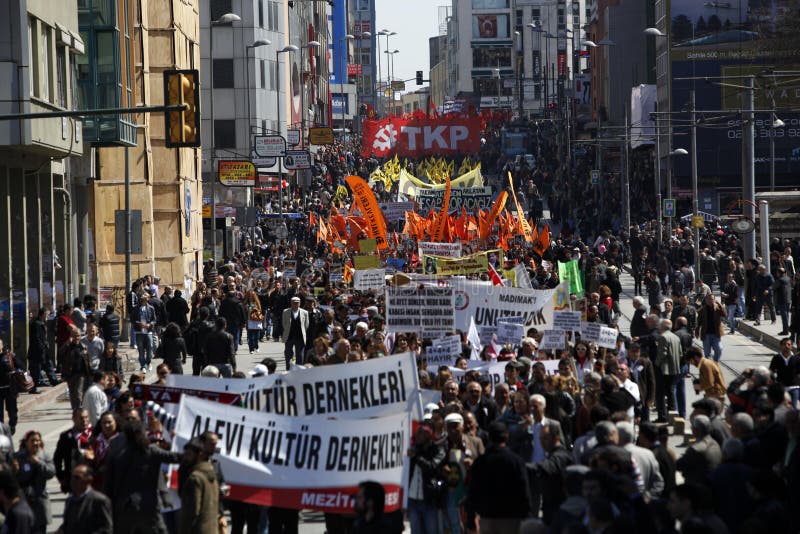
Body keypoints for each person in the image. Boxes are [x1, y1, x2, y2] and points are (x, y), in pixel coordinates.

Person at [103, 414, 182, 534]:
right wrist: (176, 441)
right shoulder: (151, 451)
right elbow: (176, 457)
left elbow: (109, 483)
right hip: (149, 509)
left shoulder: (118, 455)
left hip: (125, 508)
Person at [464, 421, 531, 534]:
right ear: (507, 436)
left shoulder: (480, 462)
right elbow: (524, 490)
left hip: (487, 519)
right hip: (510, 519)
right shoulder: (515, 461)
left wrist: (471, 518)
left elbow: (472, 491)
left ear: (489, 437)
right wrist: (527, 515)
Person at [13, 430, 56, 534]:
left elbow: (51, 472)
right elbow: (12, 479)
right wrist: (15, 471)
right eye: (32, 440)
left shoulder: (44, 456)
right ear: (26, 442)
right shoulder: (18, 457)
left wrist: (38, 463)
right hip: (24, 502)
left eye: (38, 440)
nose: (35, 443)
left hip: (40, 503)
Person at [406, 422, 445, 534]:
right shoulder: (412, 449)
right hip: (413, 500)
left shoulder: (438, 451)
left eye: (420, 433)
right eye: (417, 432)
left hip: (429, 500)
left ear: (429, 435)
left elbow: (432, 467)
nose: (416, 435)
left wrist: (417, 457)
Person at [178, 438, 219, 534]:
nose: (185, 458)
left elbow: (191, 514)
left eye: (189, 454)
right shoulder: (211, 474)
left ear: (200, 454)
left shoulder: (195, 478)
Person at [59, 464, 113, 534]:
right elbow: (67, 525)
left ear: (88, 479)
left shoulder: (99, 500)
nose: (73, 480)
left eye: (77, 477)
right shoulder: (70, 500)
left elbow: (106, 529)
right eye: (72, 477)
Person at [675, 415, 721, 485]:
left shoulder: (696, 449)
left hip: (699, 489)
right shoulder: (715, 444)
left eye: (692, 426)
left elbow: (678, 465)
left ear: (695, 430)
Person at [655, 319, 683, 422]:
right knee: (671, 391)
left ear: (663, 327)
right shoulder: (676, 337)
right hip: (674, 368)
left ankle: (662, 416)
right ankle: (672, 411)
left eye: (660, 325)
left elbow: (662, 354)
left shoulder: (663, 337)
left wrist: (656, 364)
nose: (658, 327)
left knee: (661, 393)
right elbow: (680, 354)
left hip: (664, 369)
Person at [27, 308, 57, 391]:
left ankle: (54, 381)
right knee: (36, 370)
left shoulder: (41, 323)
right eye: (46, 314)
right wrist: (41, 347)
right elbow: (36, 338)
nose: (47, 316)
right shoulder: (36, 324)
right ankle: (33, 388)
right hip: (37, 352)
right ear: (42, 314)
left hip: (43, 350)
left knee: (48, 366)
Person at [0, 338, 25, 433]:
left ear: (2, 345)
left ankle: (12, 425)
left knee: (12, 411)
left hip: (10, 387)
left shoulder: (9, 355)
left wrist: (16, 372)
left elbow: (21, 366)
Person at [696, 293, 726, 362]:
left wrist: (720, 305)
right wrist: (697, 331)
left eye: (712, 299)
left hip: (716, 334)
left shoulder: (718, 308)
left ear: (714, 300)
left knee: (719, 349)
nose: (710, 301)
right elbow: (699, 322)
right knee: (707, 354)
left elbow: (724, 314)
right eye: (709, 299)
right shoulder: (702, 309)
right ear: (706, 300)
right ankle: (709, 368)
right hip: (706, 334)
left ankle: (715, 361)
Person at [282, 296, 309, 368]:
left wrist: (302, 332)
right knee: (288, 355)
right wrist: (288, 330)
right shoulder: (285, 311)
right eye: (294, 303)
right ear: (291, 303)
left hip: (300, 337)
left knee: (300, 355)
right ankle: (288, 369)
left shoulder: (305, 312)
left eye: (297, 303)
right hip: (289, 336)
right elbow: (284, 323)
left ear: (299, 304)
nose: (295, 304)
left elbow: (306, 325)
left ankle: (299, 370)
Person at [132, 293, 156, 373]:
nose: (143, 298)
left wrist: (149, 324)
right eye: (142, 297)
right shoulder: (135, 308)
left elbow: (154, 320)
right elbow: (133, 320)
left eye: (145, 297)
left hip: (148, 331)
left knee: (150, 349)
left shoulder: (151, 308)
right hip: (139, 332)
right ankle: (143, 366)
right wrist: (139, 323)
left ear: (148, 299)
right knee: (141, 350)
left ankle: (148, 362)